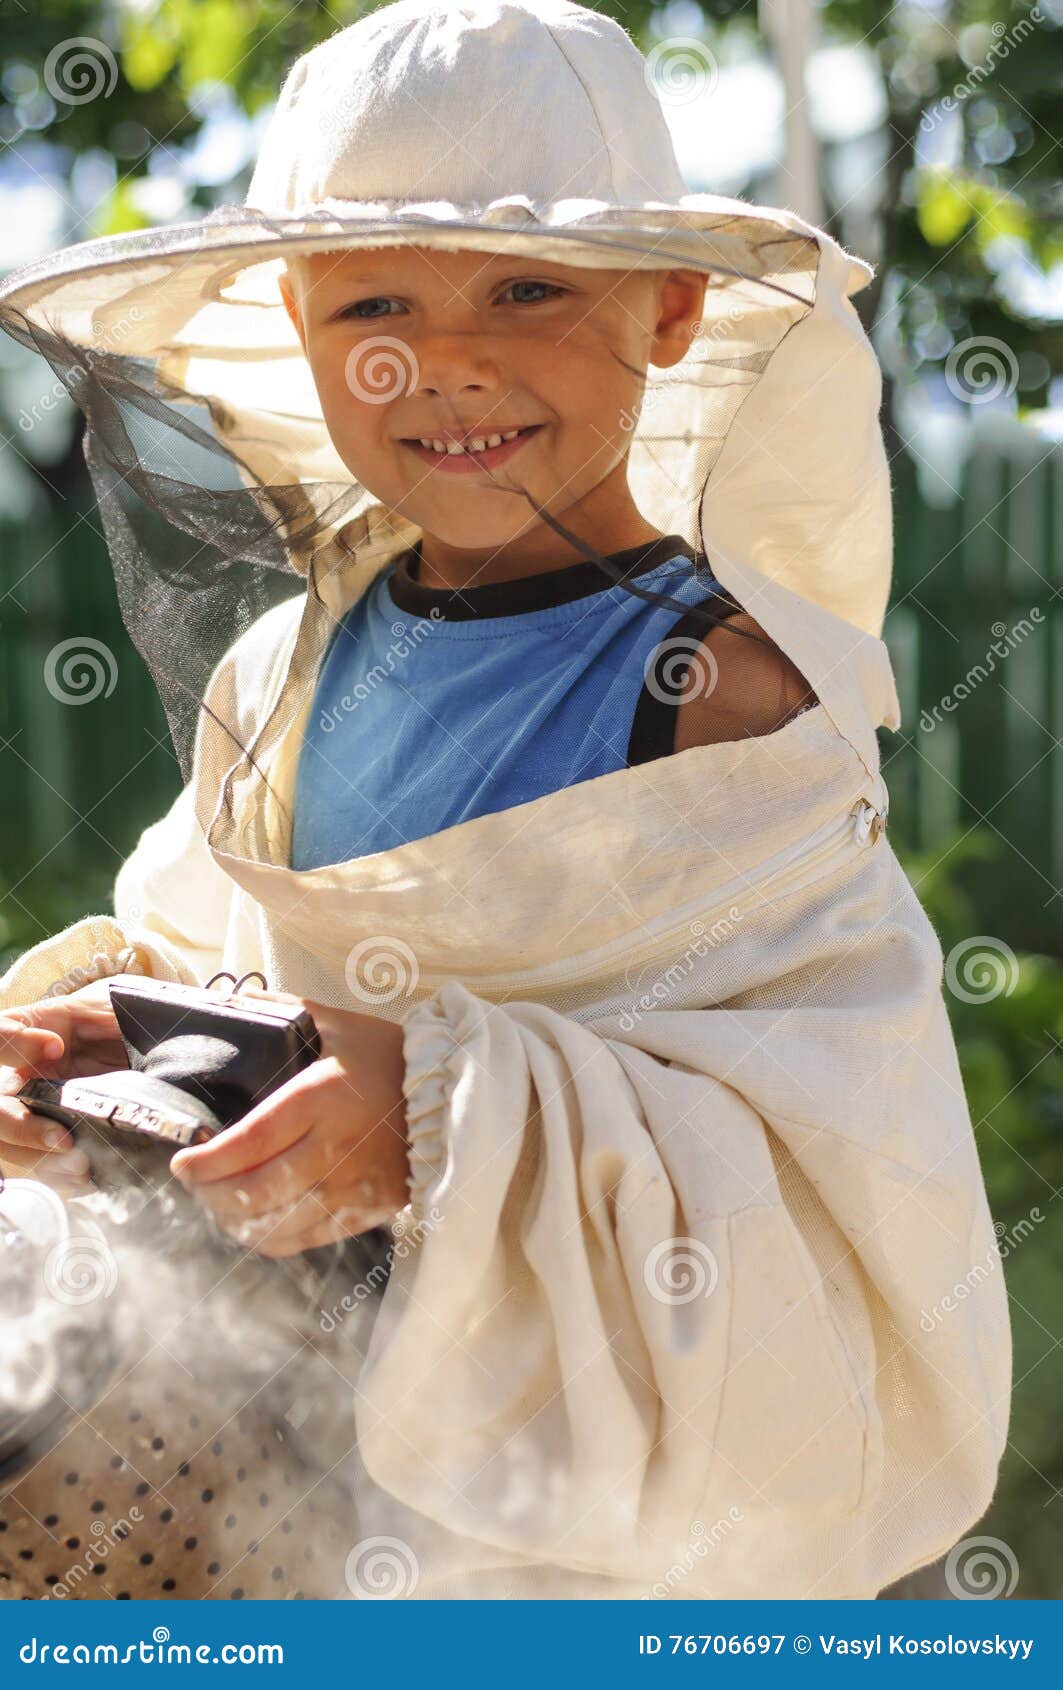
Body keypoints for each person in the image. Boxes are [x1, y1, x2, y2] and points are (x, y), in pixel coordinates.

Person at [0, 0, 1010, 1601]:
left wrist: (437, 1110)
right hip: (275, 1507)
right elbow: (209, 957)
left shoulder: (725, 697)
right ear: (301, 319)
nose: (443, 360)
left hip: (558, 1553)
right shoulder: (286, 673)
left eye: (527, 288)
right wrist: (108, 1046)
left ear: (669, 310)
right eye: (374, 302)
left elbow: (817, 1166)